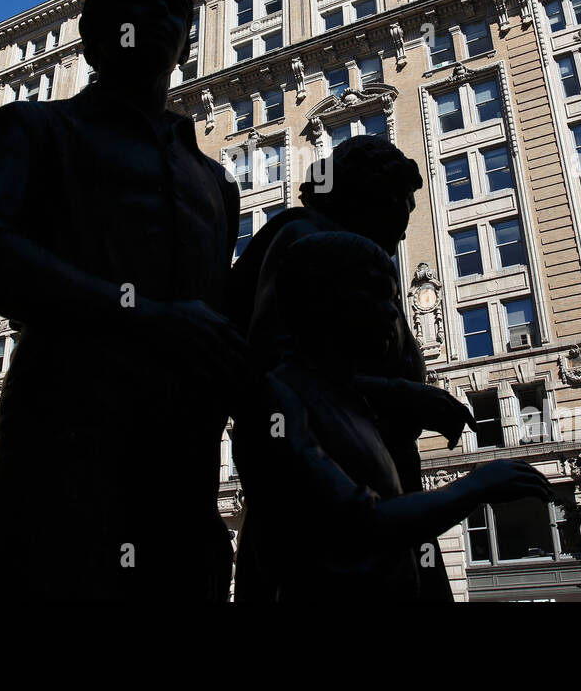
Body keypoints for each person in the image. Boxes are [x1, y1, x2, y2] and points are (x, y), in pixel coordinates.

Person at [0, 0, 245, 601]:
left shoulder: (215, 183)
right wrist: (143, 316)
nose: (161, 16)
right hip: (62, 459)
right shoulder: (32, 129)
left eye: (176, 7)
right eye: (141, 0)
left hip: (184, 480)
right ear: (93, 30)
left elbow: (225, 329)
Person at [234, 231, 552, 599]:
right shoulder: (279, 400)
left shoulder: (344, 394)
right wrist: (476, 486)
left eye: (396, 298)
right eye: (379, 293)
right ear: (327, 299)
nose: (393, 313)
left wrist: (404, 394)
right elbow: (361, 524)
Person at [227, 136, 474, 600]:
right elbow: (278, 366)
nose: (404, 230)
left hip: (383, 474)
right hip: (329, 499)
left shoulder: (357, 256)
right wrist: (404, 395)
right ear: (368, 192)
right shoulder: (305, 240)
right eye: (400, 206)